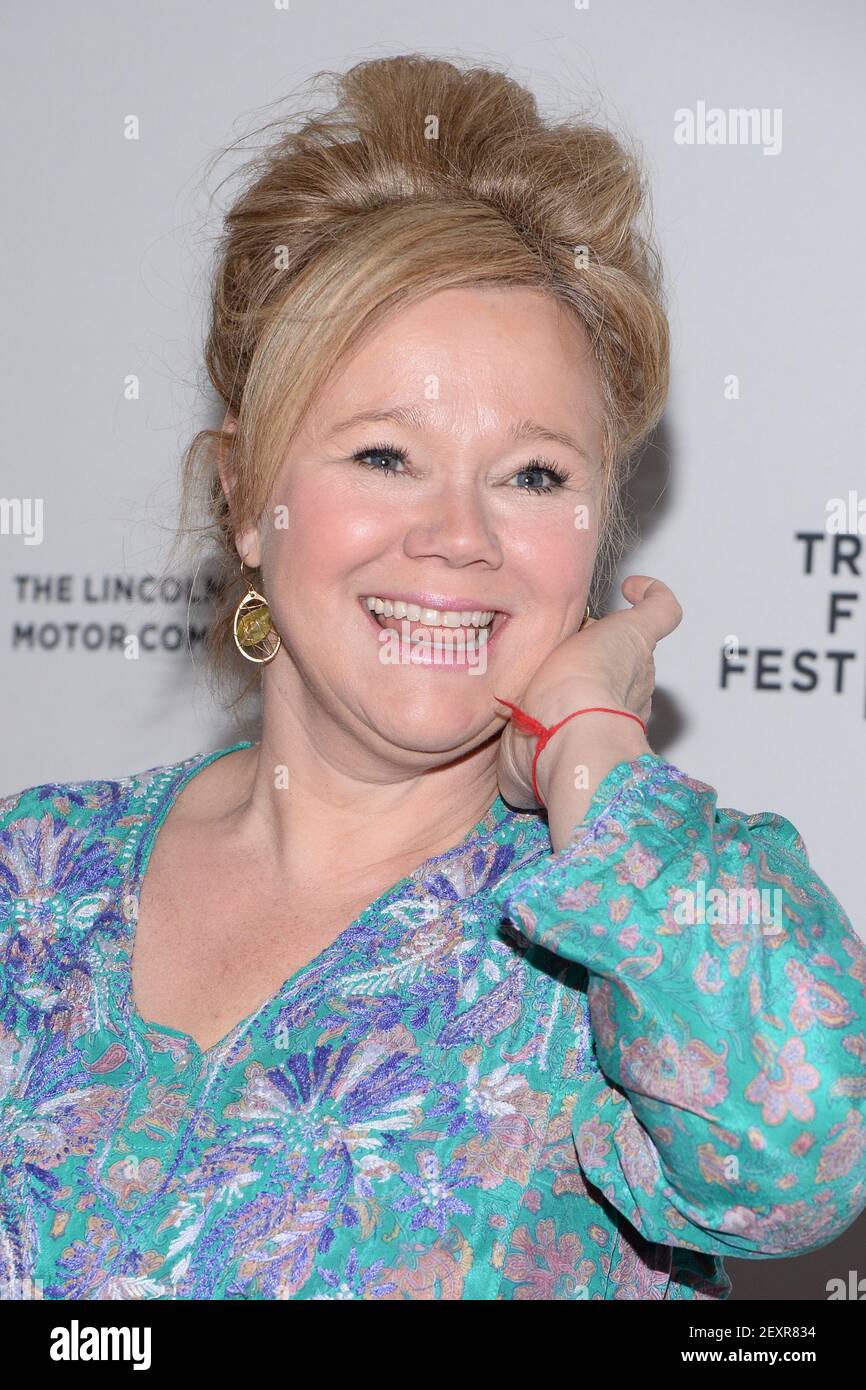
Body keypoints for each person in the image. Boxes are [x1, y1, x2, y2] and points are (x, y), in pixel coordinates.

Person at [1, 53, 864, 1303]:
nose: (458, 534)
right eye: (384, 453)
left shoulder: (642, 928)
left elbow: (802, 1157)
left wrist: (591, 753)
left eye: (532, 476)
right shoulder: (34, 882)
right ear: (247, 497)